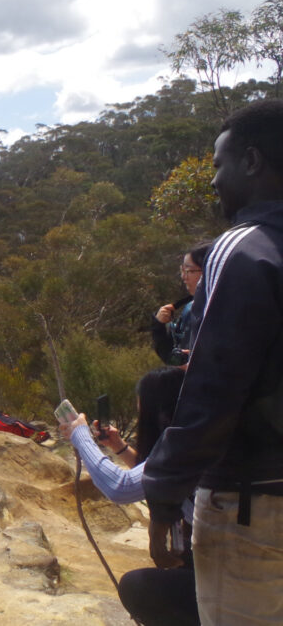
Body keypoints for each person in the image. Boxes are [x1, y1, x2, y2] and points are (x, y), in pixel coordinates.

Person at [143, 99, 283, 625]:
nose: (214, 181)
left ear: (252, 162)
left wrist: (164, 487)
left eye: (219, 165)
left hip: (251, 499)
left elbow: (213, 386)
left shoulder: (243, 249)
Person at [59, 367, 198, 626]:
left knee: (135, 587)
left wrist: (81, 436)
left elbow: (120, 487)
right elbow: (157, 477)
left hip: (220, 576)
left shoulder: (186, 448)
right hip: (218, 561)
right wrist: (119, 448)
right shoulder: (200, 435)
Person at [150, 243, 210, 366]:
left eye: (189, 271)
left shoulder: (207, 309)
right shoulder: (191, 307)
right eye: (182, 270)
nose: (183, 277)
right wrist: (159, 327)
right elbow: (174, 358)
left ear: (209, 271)